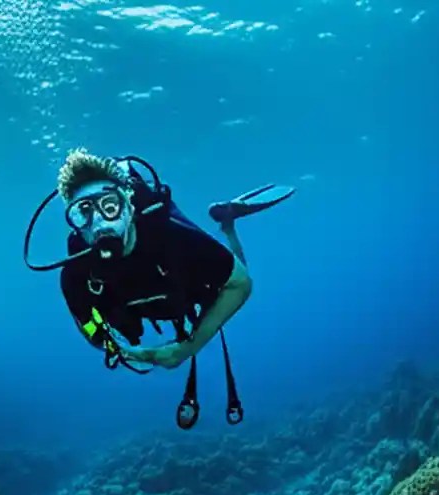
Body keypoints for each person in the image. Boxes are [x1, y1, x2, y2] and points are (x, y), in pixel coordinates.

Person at [21, 148, 294, 428]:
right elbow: (88, 323)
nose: (100, 223)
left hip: (186, 286)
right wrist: (112, 346)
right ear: (74, 223)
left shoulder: (175, 239)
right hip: (151, 303)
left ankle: (227, 221)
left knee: (236, 269)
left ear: (128, 205)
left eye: (110, 206)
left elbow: (241, 284)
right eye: (84, 212)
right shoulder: (76, 275)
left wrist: (187, 349)